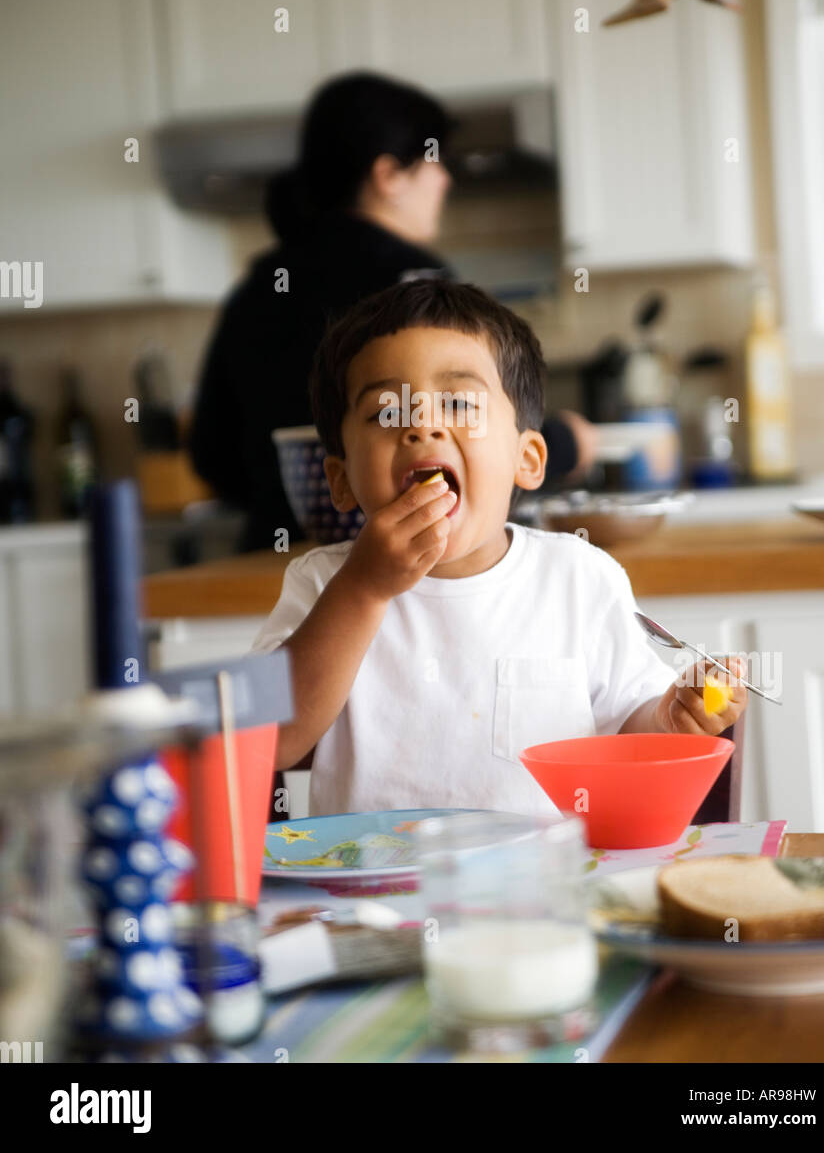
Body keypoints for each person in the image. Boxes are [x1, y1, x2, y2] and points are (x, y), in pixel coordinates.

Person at [251, 278, 746, 816]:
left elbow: (630, 726)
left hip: (547, 890)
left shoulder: (577, 578)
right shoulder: (322, 585)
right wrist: (364, 589)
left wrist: (672, 720)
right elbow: (269, 741)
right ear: (340, 479)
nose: (422, 425)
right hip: (373, 896)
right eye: (385, 413)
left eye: (460, 403)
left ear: (528, 459)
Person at [189, 71, 597, 552]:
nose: (445, 178)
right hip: (397, 569)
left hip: (269, 566)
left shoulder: (257, 284)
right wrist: (567, 442)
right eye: (434, 161)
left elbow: (211, 455)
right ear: (388, 176)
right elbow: (457, 424)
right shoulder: (417, 288)